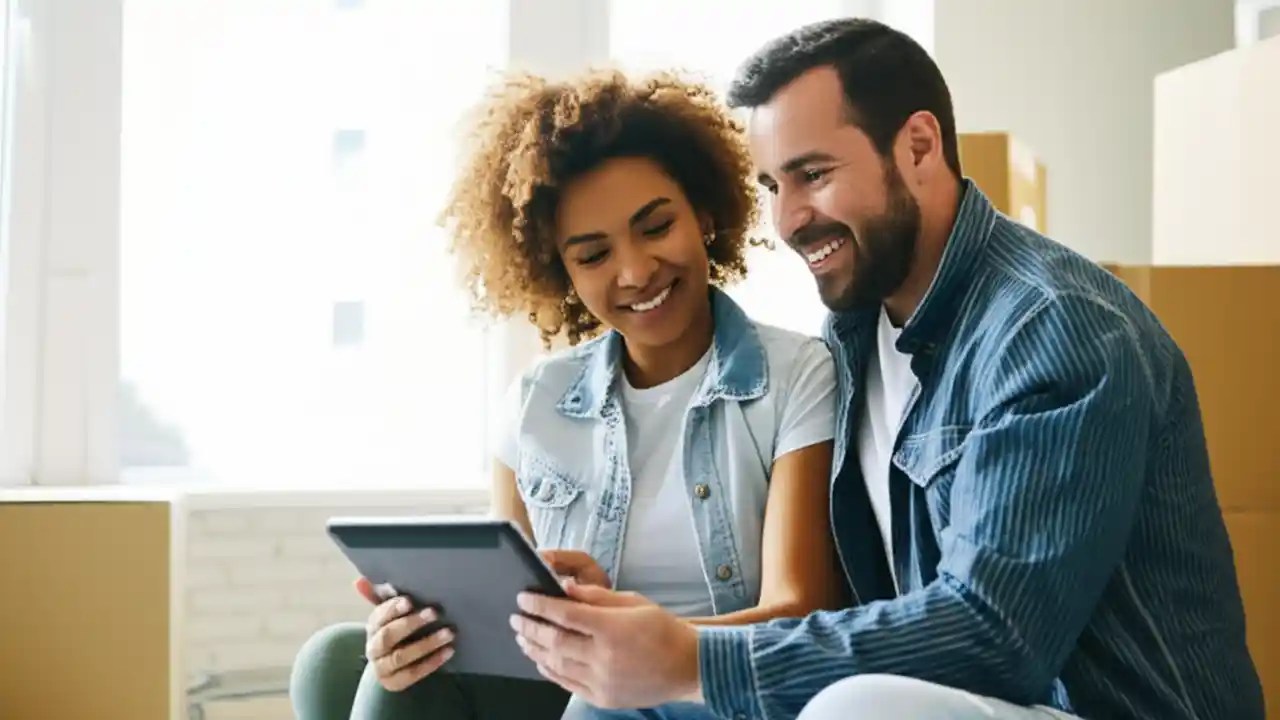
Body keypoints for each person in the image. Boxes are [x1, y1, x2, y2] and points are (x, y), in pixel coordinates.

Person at [508, 17, 1265, 720]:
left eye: (813, 173)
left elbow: (995, 636)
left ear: (919, 147)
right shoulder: (854, 335)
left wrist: (695, 655)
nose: (789, 218)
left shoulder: (1055, 328)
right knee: (613, 704)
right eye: (775, 185)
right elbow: (856, 614)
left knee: (857, 711)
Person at [288, 68, 848, 720]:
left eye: (655, 226)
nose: (635, 271)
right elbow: (505, 629)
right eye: (593, 255)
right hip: (566, 678)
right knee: (340, 661)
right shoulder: (534, 402)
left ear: (702, 213)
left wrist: (631, 638)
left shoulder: (795, 373)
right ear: (561, 271)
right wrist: (422, 634)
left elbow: (801, 608)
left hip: (708, 683)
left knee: (585, 700)